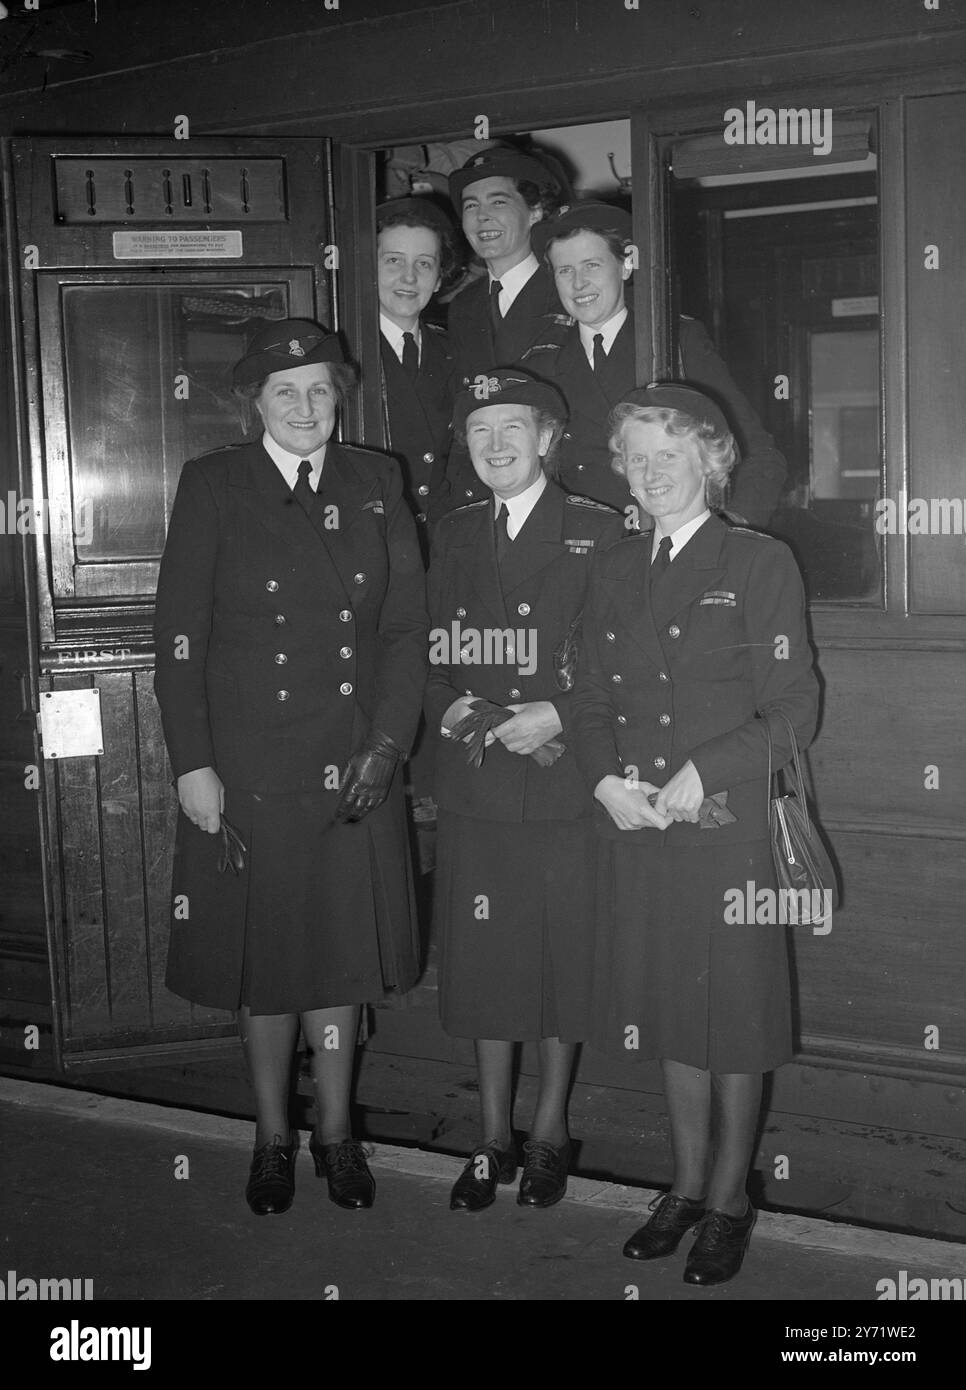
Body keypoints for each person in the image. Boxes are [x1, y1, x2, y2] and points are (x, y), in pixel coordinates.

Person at [154, 319, 428, 1217]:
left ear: (339, 393)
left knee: (342, 962)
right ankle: (273, 1136)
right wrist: (194, 764)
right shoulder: (215, 483)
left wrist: (386, 745)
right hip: (252, 763)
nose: (305, 407)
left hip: (352, 761)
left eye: (319, 389)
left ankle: (338, 1135)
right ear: (257, 405)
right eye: (285, 393)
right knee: (266, 964)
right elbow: (180, 638)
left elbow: (401, 631)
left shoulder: (376, 480)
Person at [571, 384, 818, 1284]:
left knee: (735, 1022)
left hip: (726, 834)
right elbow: (589, 696)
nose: (652, 472)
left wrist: (703, 770)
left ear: (711, 461)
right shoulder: (610, 566)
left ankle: (729, 1200)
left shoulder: (759, 562)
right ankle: (682, 1187)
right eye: (636, 457)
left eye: (669, 454)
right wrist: (601, 779)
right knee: (671, 1015)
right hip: (637, 830)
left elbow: (797, 710)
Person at [426, 368, 624, 1212]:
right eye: (480, 431)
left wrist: (558, 714)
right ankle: (489, 1138)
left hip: (565, 785)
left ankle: (547, 1134)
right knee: (484, 965)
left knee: (561, 959)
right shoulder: (453, 532)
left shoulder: (601, 529)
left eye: (514, 428)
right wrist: (464, 711)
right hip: (478, 786)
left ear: (548, 439)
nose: (497, 444)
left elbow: (623, 660)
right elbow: (425, 648)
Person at [524, 202, 788, 527]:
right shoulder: (544, 360)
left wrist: (729, 530)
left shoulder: (674, 341)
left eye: (591, 265)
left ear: (625, 266)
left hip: (667, 545)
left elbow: (760, 454)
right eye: (565, 270)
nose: (578, 284)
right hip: (584, 552)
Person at [440, 148, 571, 512]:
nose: (482, 217)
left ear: (535, 211)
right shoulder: (464, 308)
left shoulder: (567, 290)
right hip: (485, 494)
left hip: (558, 490)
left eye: (498, 202)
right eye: (470, 206)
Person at [376, 196, 460, 545]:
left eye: (424, 264)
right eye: (394, 260)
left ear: (440, 278)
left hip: (442, 544)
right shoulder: (341, 353)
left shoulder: (456, 352)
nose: (408, 276)